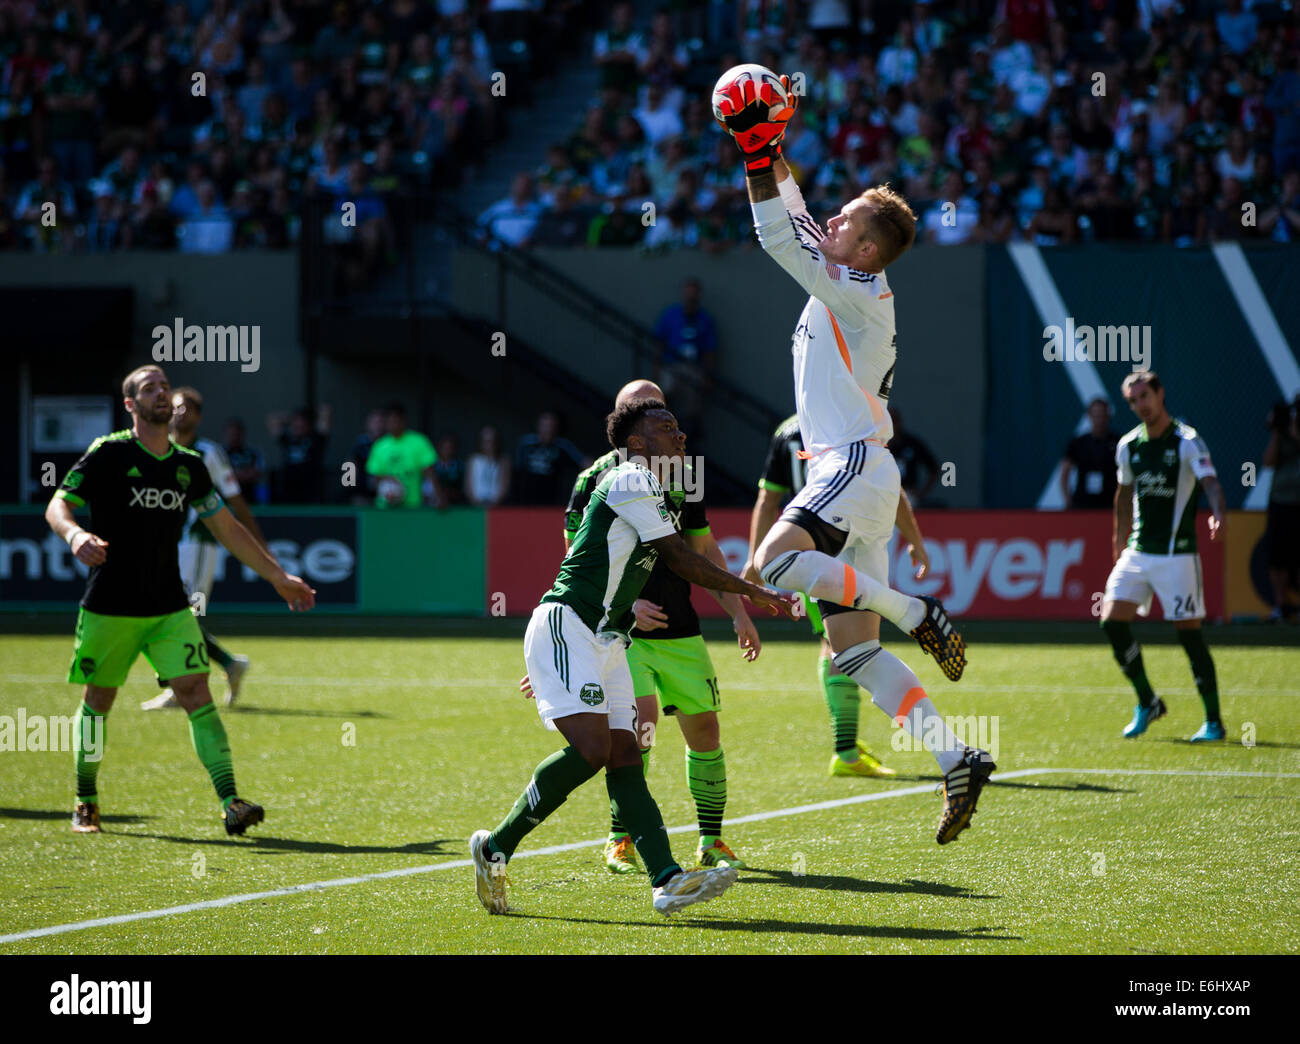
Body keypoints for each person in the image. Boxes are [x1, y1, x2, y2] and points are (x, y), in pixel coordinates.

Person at [720, 69, 994, 844]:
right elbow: (799, 215)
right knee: (853, 655)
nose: (831, 218)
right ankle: (956, 757)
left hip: (848, 466)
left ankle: (918, 611)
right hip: (863, 476)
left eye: (847, 219)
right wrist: (770, 147)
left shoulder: (855, 287)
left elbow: (778, 233)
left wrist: (752, 151)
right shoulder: (853, 279)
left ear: (867, 246)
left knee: (772, 565)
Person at [469, 398, 790, 916]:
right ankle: (494, 845)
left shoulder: (660, 488)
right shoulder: (628, 479)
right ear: (637, 443)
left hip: (608, 641)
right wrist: (751, 592)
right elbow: (682, 559)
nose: (680, 435)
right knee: (595, 748)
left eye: (680, 426)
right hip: (569, 625)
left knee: (624, 756)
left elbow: (683, 553)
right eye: (667, 428)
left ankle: (665, 879)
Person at [45, 365, 315, 836]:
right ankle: (85, 799)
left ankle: (231, 800)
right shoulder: (108, 453)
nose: (161, 393)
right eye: (149, 388)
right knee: (99, 700)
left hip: (169, 607)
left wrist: (277, 576)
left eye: (165, 386)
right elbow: (58, 504)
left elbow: (226, 526)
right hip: (110, 605)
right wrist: (74, 535)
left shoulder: (188, 465)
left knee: (197, 693)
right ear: (130, 405)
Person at [559, 379, 762, 873]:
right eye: (645, 414)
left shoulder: (682, 474)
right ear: (626, 427)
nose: (664, 424)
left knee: (706, 732)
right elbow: (574, 559)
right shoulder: (593, 479)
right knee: (639, 727)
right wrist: (609, 617)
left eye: (664, 413)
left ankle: (711, 841)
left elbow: (702, 548)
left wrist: (738, 610)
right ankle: (620, 837)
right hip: (621, 634)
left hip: (681, 626)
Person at [744, 413, 924, 779]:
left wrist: (755, 557)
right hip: (844, 541)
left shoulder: (786, 432)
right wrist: (915, 540)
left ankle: (847, 745)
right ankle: (845, 750)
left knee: (838, 642)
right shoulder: (852, 422)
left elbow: (768, 500)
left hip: (804, 546)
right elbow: (892, 489)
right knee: (840, 643)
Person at [1100, 371, 1227, 741]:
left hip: (1178, 556)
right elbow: (1123, 496)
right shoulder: (1128, 446)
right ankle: (1147, 701)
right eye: (1134, 400)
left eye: (1145, 396)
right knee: (1111, 621)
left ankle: (1214, 722)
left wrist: (1218, 511)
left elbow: (1211, 483)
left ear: (1160, 394)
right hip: (1139, 552)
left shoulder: (1187, 442)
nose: (1141, 405)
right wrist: (1117, 539)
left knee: (1189, 636)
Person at [142, 386, 266, 711]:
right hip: (165, 544)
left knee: (186, 614)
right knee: (163, 614)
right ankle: (226, 664)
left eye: (188, 408)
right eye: (176, 406)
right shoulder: (156, 447)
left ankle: (181, 686)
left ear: (198, 416)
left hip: (198, 544)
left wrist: (259, 547)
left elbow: (235, 499)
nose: (180, 412)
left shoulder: (208, 453)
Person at [653, 277, 717, 449]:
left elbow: (710, 351)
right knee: (663, 394)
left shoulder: (705, 319)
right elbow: (659, 343)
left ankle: (688, 442)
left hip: (693, 368)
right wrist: (657, 369)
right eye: (688, 293)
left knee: (691, 406)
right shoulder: (670, 315)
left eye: (694, 294)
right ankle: (661, 432)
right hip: (671, 365)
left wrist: (708, 376)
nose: (691, 297)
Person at [1262, 396, 1300, 623]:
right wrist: (1278, 430)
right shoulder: (1282, 433)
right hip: (1281, 502)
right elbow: (1268, 462)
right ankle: (1281, 605)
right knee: (1277, 558)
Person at [365, 402, 439, 508]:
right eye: (389, 420)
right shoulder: (379, 446)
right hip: (385, 507)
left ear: (403, 420)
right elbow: (375, 476)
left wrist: (437, 496)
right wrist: (388, 482)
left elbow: (429, 472)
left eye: (396, 420)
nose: (393, 424)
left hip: (412, 506)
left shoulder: (419, 442)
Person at [513, 411, 588, 504]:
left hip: (552, 499)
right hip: (525, 499)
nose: (548, 430)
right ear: (538, 426)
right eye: (545, 426)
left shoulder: (563, 445)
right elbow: (516, 469)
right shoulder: (526, 443)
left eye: (551, 426)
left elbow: (584, 462)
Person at [1059, 398, 1120, 509]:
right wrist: (1068, 501)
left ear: (1108, 416)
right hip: (1082, 504)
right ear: (1089, 416)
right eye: (1096, 415)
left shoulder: (1118, 442)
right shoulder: (1078, 443)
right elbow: (1064, 473)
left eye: (1102, 415)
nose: (1099, 420)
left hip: (1110, 503)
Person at [267, 405, 331, 503]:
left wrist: (309, 414)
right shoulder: (287, 439)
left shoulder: (316, 438)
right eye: (296, 423)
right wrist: (292, 417)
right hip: (289, 486)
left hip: (311, 486)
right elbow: (272, 419)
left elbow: (326, 411)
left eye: (302, 423)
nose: (299, 425)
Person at [888, 405, 942, 505]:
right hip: (883, 492)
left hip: (907, 494)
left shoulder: (912, 443)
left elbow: (934, 469)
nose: (892, 425)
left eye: (894, 421)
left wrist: (921, 493)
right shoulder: (876, 444)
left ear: (900, 422)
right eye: (889, 421)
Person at [223, 418, 266, 505]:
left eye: (237, 434)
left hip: (250, 499)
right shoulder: (220, 453)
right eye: (231, 434)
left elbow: (257, 473)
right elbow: (219, 476)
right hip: (225, 501)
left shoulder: (253, 453)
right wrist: (243, 473)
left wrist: (233, 475)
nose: (234, 437)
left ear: (242, 434)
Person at [348, 408, 386, 506]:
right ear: (368, 424)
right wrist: (350, 486)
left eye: (380, 422)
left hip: (386, 493)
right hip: (363, 494)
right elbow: (350, 464)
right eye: (374, 422)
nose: (378, 426)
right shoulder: (360, 443)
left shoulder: (389, 444)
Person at [466, 425, 511, 505]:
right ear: (480, 442)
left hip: (497, 507)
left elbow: (504, 486)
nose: (490, 445)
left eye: (492, 441)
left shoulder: (503, 461)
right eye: (486, 441)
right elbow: (468, 486)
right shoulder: (473, 460)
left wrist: (494, 503)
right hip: (475, 507)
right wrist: (475, 503)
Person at [434, 433, 467, 506]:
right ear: (439, 448)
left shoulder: (460, 467)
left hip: (456, 505)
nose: (447, 451)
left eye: (450, 448)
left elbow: (464, 489)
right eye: (444, 448)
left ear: (455, 449)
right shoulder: (432, 467)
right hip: (434, 504)